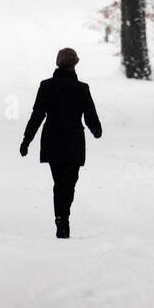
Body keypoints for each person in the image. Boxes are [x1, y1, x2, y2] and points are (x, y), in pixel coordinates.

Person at [19, 48, 102, 238]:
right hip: (74, 142)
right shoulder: (82, 88)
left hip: (52, 141)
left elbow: (37, 115)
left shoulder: (46, 86)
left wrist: (26, 140)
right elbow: (90, 115)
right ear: (75, 64)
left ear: (58, 63)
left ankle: (60, 218)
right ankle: (64, 217)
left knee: (59, 183)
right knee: (69, 183)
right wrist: (96, 130)